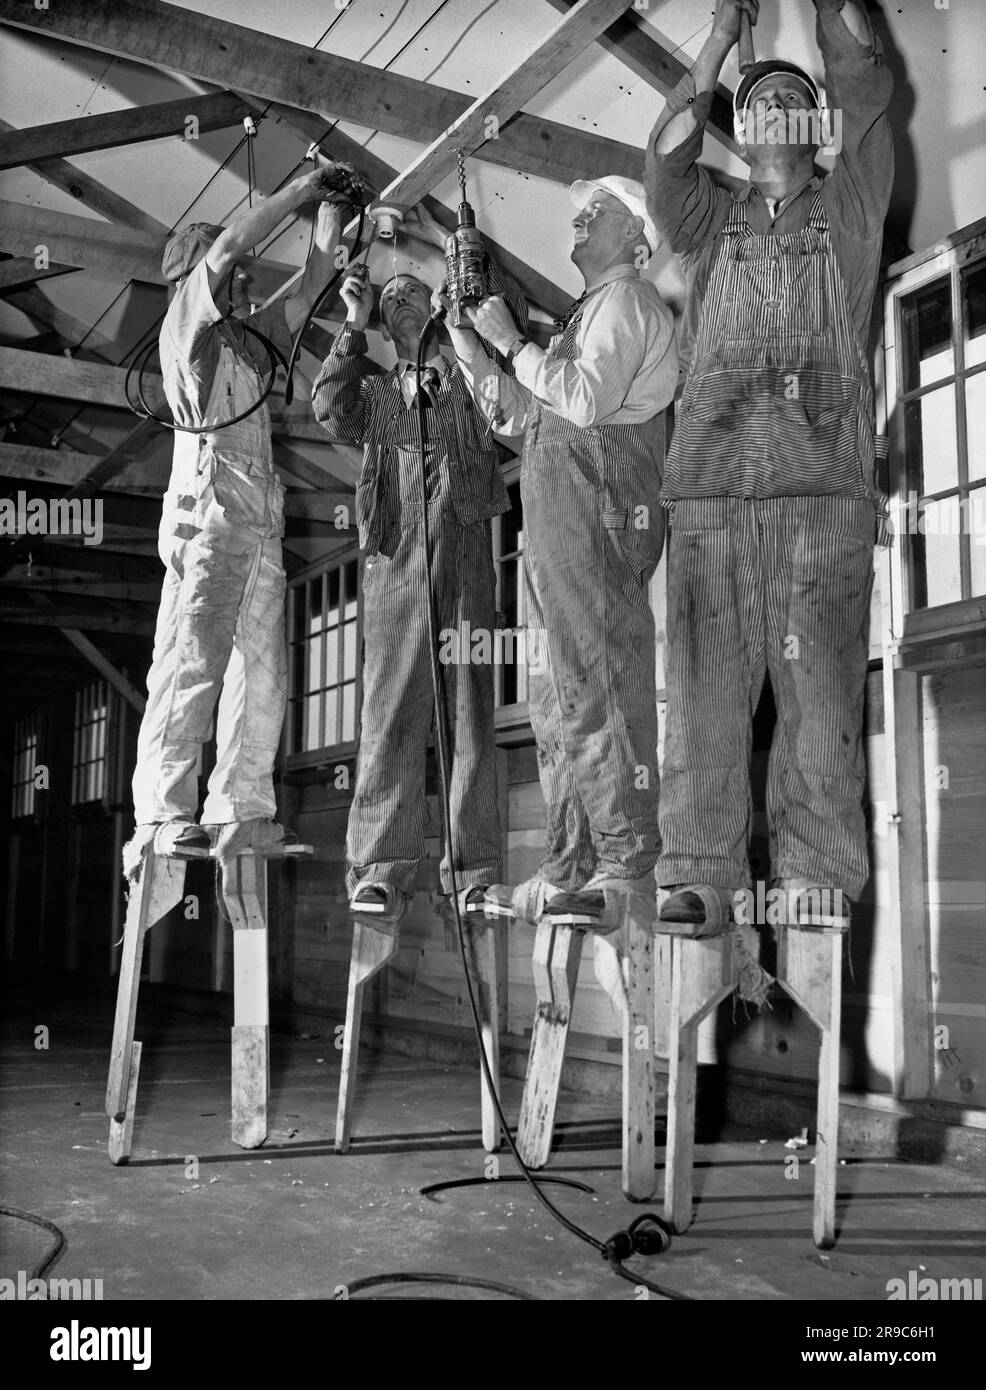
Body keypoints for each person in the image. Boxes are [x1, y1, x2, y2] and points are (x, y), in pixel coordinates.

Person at [644, 0, 894, 930]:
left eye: (793, 98)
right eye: (758, 105)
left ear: (814, 124)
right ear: (743, 134)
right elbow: (667, 150)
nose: (775, 111)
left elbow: (868, 80)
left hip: (826, 496)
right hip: (711, 492)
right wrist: (715, 42)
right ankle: (702, 874)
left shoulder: (853, 203)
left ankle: (816, 873)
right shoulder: (709, 218)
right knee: (705, 695)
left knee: (822, 696)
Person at [448, 176, 678, 929]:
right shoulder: (584, 318)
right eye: (578, 215)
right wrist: (472, 351)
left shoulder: (630, 303)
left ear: (638, 240)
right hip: (558, 516)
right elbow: (528, 420)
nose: (579, 222)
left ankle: (626, 858)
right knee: (555, 697)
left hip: (601, 508)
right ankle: (573, 861)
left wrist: (514, 341)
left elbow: (577, 401)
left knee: (598, 676)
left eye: (597, 214)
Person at [126, 159, 366, 874]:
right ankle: (163, 813)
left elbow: (307, 296)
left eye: (233, 279)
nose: (237, 281)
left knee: (263, 672)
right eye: (223, 274)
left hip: (260, 516)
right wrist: (300, 189)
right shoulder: (184, 329)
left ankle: (241, 810)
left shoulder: (247, 339)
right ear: (192, 276)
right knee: (190, 661)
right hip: (208, 511)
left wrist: (330, 220)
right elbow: (230, 248)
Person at [312, 204, 527, 920]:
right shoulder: (377, 396)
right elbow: (327, 407)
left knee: (470, 713)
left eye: (414, 296)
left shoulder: (467, 377)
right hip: (396, 565)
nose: (403, 303)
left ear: (433, 313)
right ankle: (379, 867)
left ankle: (473, 870)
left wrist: (453, 261)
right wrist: (349, 318)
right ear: (382, 322)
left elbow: (510, 314)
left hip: (464, 554)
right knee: (390, 711)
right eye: (391, 300)